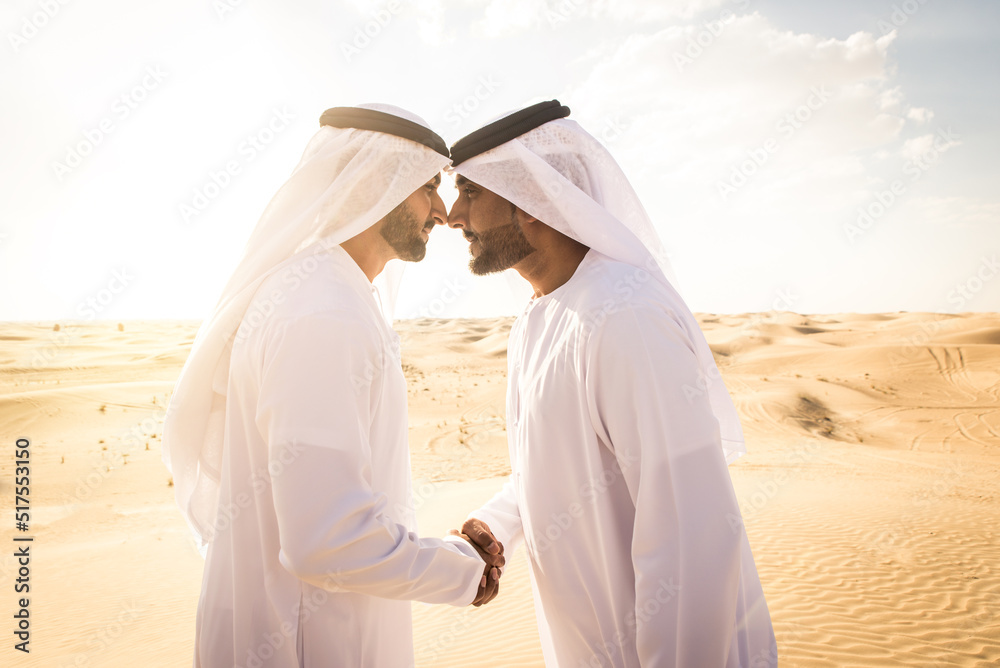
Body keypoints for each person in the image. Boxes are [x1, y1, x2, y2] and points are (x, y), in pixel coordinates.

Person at [162, 104, 503, 668]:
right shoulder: (322, 314)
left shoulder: (326, 294)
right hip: (302, 642)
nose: (442, 212)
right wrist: (463, 572)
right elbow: (326, 540)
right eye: (426, 188)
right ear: (375, 185)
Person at [446, 100, 777, 667]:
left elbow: (690, 538)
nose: (453, 216)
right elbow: (558, 471)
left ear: (530, 200)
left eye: (471, 193)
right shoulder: (538, 316)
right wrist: (495, 527)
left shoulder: (628, 316)